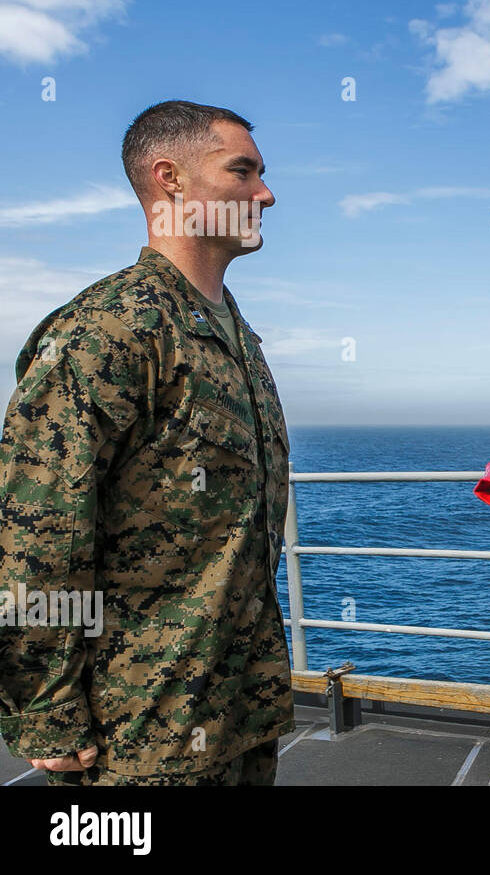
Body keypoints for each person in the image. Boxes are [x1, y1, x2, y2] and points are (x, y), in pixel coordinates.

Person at [0, 100, 293, 785]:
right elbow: (38, 532)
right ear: (172, 179)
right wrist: (45, 712)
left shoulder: (235, 339)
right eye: (243, 171)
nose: (266, 193)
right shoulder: (108, 329)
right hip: (139, 733)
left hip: (238, 713)